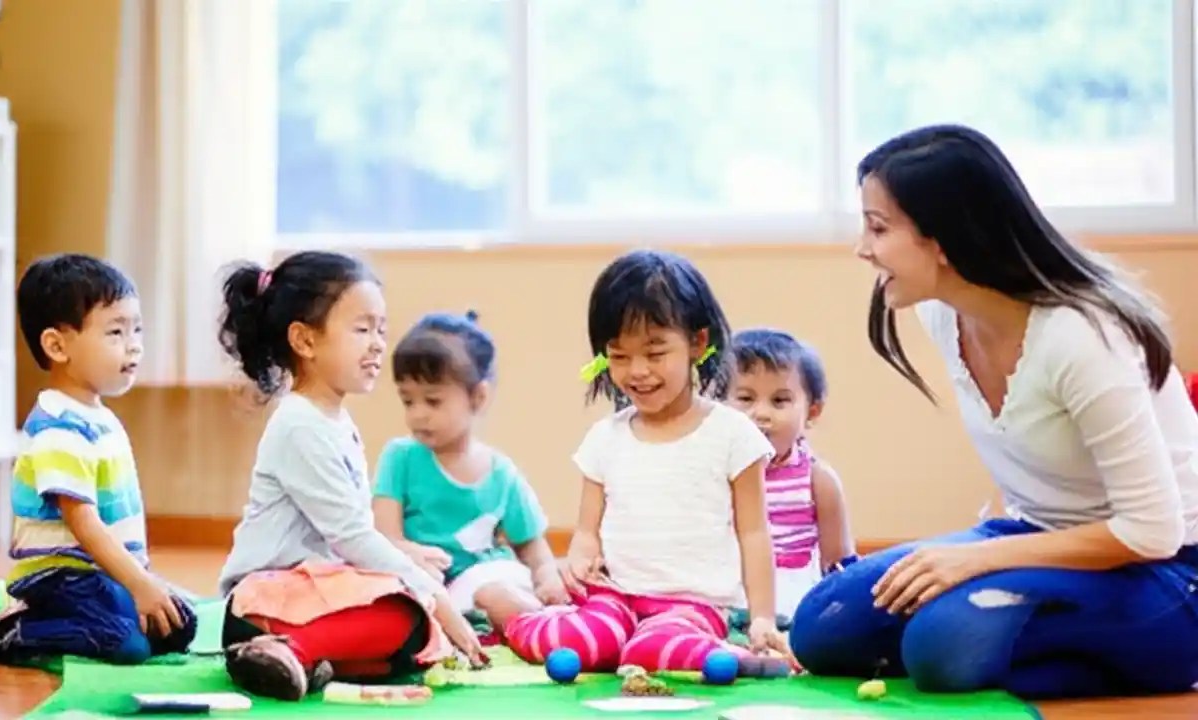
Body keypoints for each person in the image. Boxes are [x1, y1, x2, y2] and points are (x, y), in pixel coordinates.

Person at [789, 123, 1198, 699]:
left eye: (879, 228)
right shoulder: (944, 314)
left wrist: (977, 560)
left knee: (943, 642)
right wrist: (978, 557)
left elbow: (1153, 531)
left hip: (1168, 573)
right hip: (1038, 537)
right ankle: (995, 649)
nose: (863, 247)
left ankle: (1166, 658)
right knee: (823, 624)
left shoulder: (1082, 338)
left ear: (945, 241)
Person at [475, 249, 795, 676]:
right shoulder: (605, 438)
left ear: (697, 344)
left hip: (692, 606)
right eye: (619, 356)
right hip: (614, 597)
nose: (637, 371)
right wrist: (580, 561)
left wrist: (761, 619)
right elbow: (587, 533)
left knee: (653, 646)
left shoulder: (732, 434)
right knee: (581, 642)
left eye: (654, 352)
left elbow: (754, 533)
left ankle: (736, 657)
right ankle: (516, 613)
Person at [215, 251, 484, 702]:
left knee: (412, 632)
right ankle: (283, 651)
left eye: (381, 329)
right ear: (304, 340)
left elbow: (346, 529)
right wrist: (434, 597)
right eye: (362, 329)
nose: (379, 343)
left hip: (312, 591)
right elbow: (352, 536)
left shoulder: (334, 420)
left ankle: (311, 661)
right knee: (412, 614)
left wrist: (405, 553)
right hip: (264, 604)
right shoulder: (299, 425)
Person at [0, 254, 196, 665]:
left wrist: (142, 582)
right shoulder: (59, 427)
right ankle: (19, 630)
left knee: (179, 626)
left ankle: (97, 612)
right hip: (61, 577)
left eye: (137, 329)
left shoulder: (98, 418)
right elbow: (84, 524)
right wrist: (139, 583)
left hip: (96, 574)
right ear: (57, 345)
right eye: (116, 332)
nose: (133, 343)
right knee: (128, 643)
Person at [372, 311, 567, 618]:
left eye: (433, 401)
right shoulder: (400, 458)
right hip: (425, 582)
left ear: (478, 397)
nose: (418, 414)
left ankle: (545, 625)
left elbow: (532, 547)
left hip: (487, 577)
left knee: (498, 593)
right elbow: (384, 537)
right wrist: (408, 553)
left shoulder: (501, 474)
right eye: (408, 401)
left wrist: (548, 578)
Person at [726, 328, 856, 621]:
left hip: (792, 599)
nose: (760, 413)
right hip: (726, 594)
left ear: (812, 411)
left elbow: (838, 564)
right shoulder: (716, 474)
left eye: (780, 401)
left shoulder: (817, 479)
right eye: (745, 398)